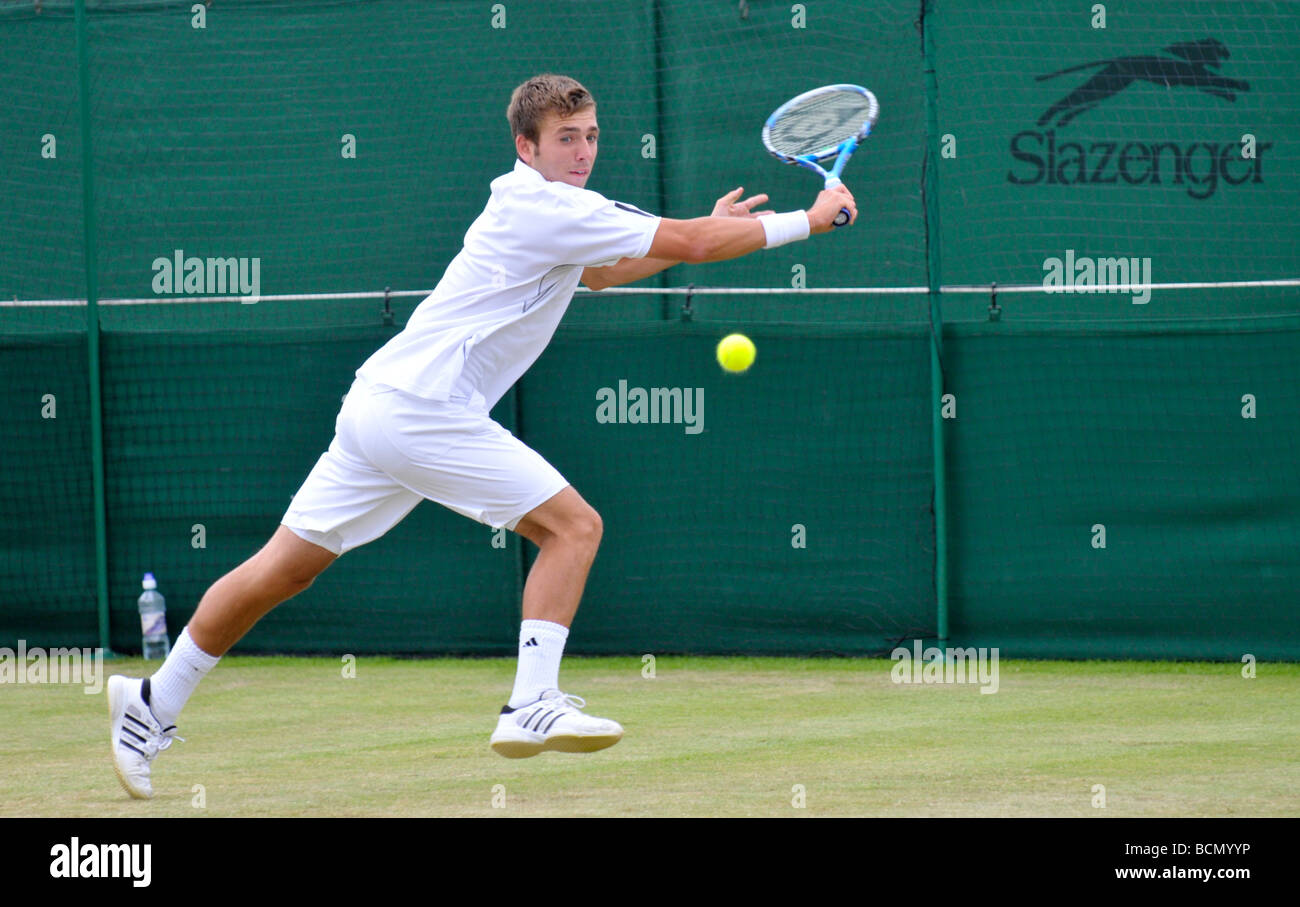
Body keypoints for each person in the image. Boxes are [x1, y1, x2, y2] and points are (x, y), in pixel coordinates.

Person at [107, 73, 857, 798]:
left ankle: (151, 702)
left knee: (284, 569)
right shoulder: (549, 205)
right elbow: (691, 245)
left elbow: (600, 273)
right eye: (566, 138)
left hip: (379, 404)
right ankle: (532, 697)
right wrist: (811, 221)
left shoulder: (552, 210)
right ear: (526, 147)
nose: (583, 151)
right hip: (424, 410)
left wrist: (712, 227)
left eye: (591, 136)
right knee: (575, 527)